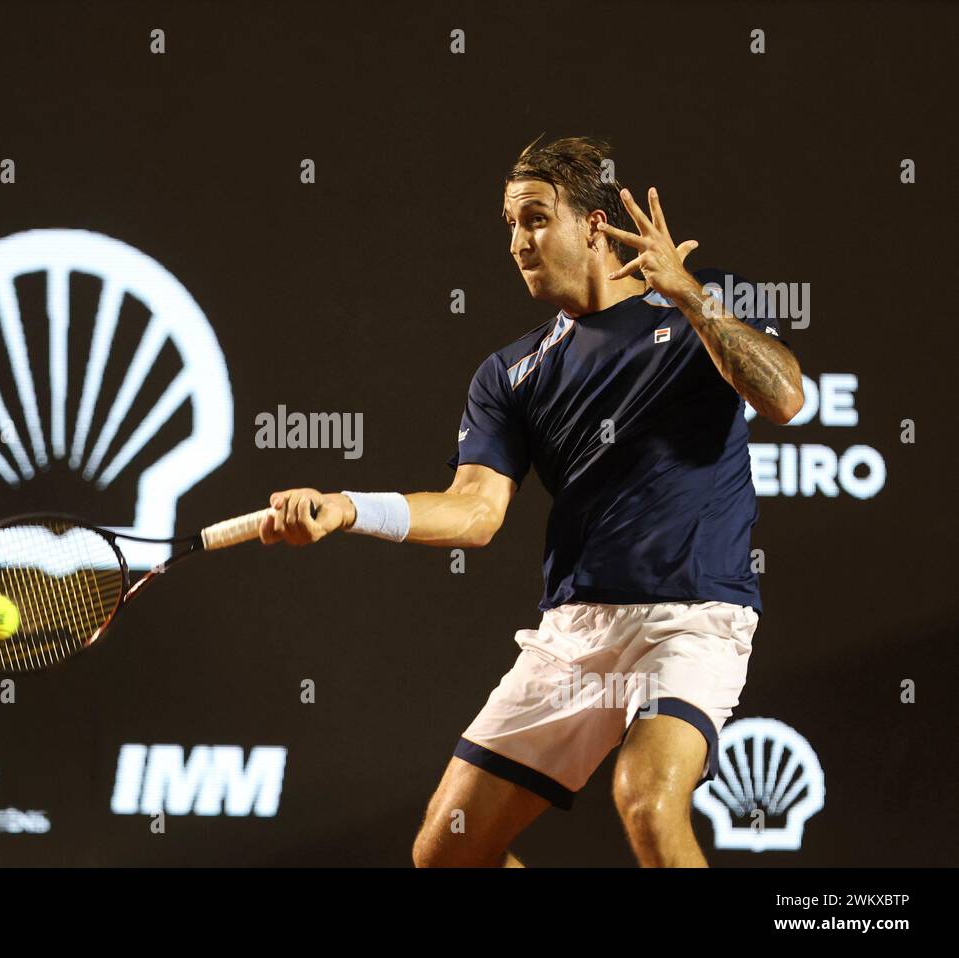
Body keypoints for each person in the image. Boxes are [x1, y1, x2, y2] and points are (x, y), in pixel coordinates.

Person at [257, 135, 803, 867]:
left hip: (693, 615)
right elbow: (474, 513)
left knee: (646, 797)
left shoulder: (711, 299)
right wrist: (349, 505)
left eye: (535, 219)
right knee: (447, 852)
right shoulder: (509, 374)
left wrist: (691, 297)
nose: (516, 242)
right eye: (510, 224)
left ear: (596, 225)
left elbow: (785, 397)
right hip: (575, 632)